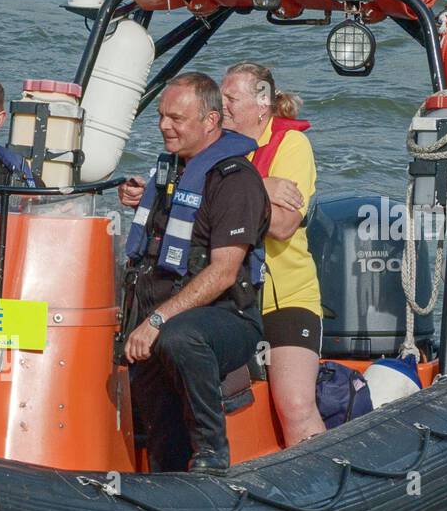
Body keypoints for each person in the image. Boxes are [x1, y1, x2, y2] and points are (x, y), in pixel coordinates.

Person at [120, 63, 325, 447]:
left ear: (262, 104)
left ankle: (320, 483)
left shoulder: (290, 146)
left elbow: (282, 225)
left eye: (232, 98)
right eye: (222, 97)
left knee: (295, 403)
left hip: (284, 297)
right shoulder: (209, 154)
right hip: (224, 297)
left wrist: (244, 189)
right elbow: (196, 208)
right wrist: (149, 192)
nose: (225, 106)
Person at [121, 72, 271, 475]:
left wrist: (156, 320)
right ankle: (164, 475)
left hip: (225, 319)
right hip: (156, 313)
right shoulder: (170, 174)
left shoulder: (235, 181)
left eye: (176, 119)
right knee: (159, 421)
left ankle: (212, 453)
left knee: (179, 337)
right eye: (161, 116)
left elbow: (223, 273)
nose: (164, 126)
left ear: (210, 121)